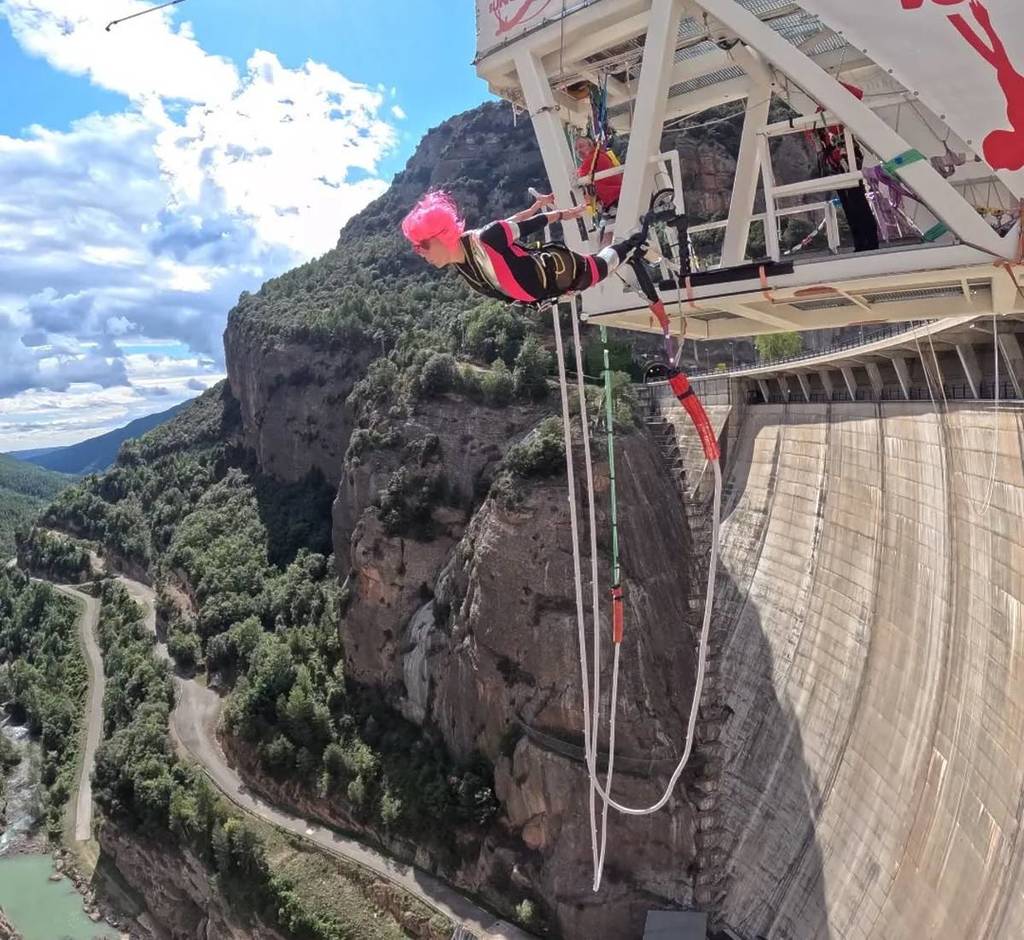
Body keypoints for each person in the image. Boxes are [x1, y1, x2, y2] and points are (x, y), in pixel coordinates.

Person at [401, 189, 645, 305]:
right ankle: (633, 243)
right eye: (416, 248)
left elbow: (526, 225)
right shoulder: (462, 264)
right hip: (552, 289)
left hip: (562, 272)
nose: (421, 253)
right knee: (605, 264)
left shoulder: (485, 240)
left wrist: (562, 214)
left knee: (603, 264)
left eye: (423, 245)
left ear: (442, 235)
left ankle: (637, 238)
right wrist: (536, 207)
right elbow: (513, 221)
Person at [808, 83, 879, 252]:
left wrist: (830, 82)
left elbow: (858, 93)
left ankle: (870, 241)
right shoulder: (820, 113)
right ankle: (861, 243)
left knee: (856, 200)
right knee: (848, 203)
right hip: (835, 163)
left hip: (847, 159)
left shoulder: (839, 104)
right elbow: (815, 136)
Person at [575, 136, 622, 245]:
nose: (579, 151)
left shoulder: (592, 159)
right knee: (606, 238)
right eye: (577, 149)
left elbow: (576, 181)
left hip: (614, 201)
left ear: (590, 145)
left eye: (581, 146)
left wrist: (553, 197)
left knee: (605, 241)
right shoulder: (600, 155)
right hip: (615, 201)